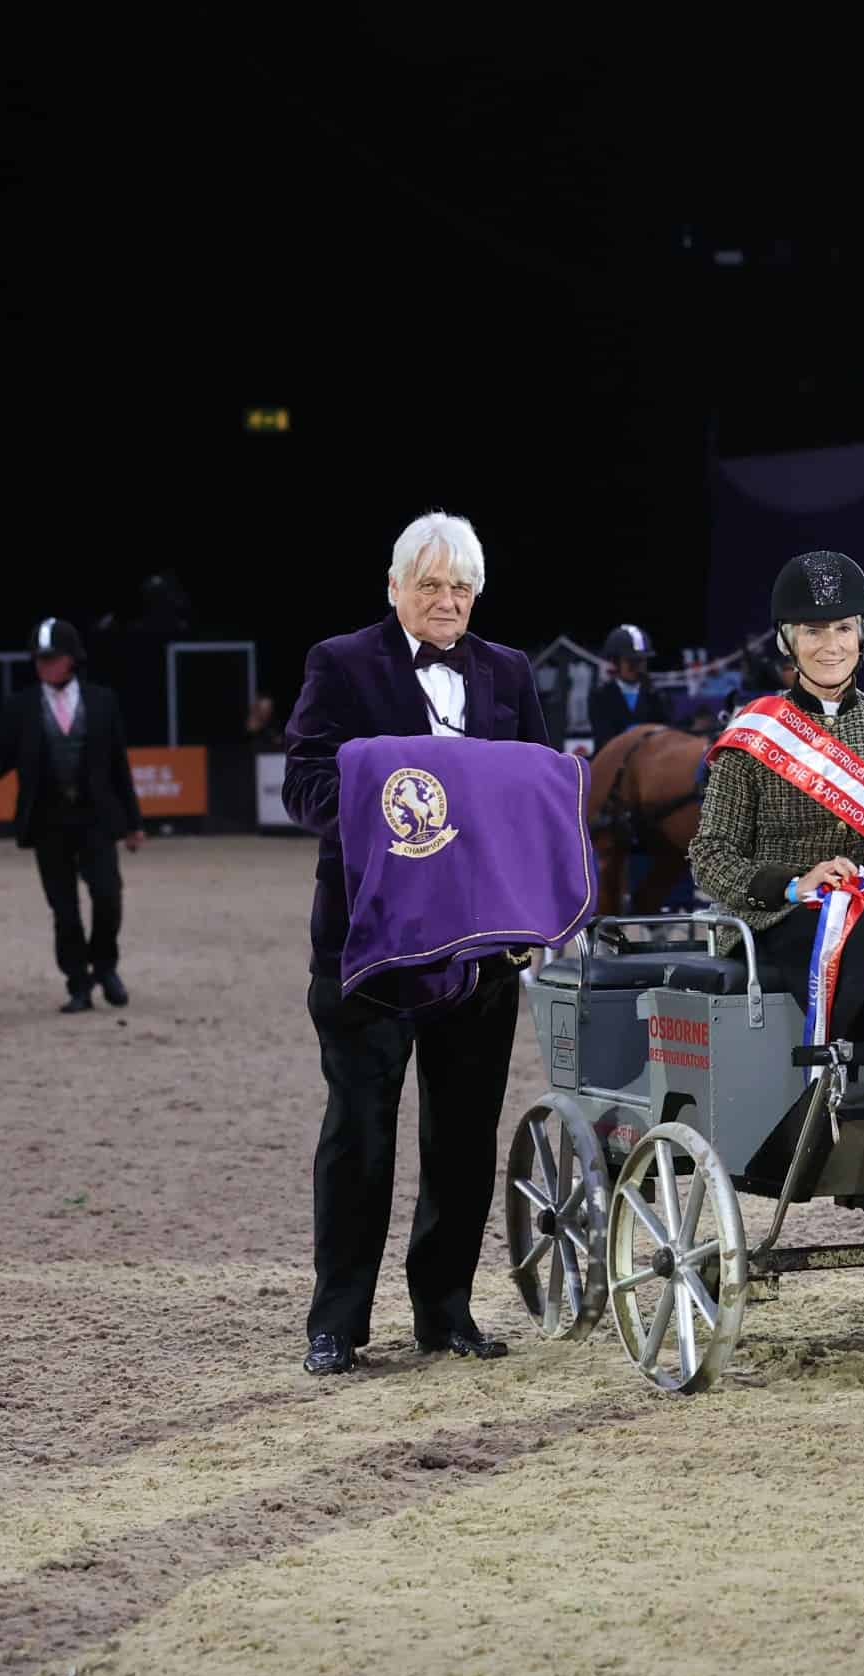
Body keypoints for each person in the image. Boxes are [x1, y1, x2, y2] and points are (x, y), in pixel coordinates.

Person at [280, 511, 552, 1377]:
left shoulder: (510, 672)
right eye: (429, 584)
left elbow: (538, 789)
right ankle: (338, 1323)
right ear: (394, 586)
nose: (446, 600)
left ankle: (446, 1310)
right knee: (358, 1133)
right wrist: (393, 814)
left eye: (460, 587)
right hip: (370, 948)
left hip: (480, 951)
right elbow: (304, 783)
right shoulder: (341, 663)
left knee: (465, 1137)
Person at [688, 552, 864, 1034]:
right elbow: (710, 856)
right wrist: (795, 884)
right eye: (812, 631)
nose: (830, 645)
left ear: (863, 635)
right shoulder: (755, 731)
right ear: (787, 642)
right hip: (780, 918)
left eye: (842, 628)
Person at [0, 619, 145, 1013]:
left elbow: (118, 766)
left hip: (94, 819)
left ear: (71, 659)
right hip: (47, 821)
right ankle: (78, 983)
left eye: (51, 658)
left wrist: (134, 822)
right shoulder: (20, 706)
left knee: (108, 897)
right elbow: (0, 759)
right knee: (65, 908)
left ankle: (105, 966)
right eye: (39, 659)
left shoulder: (103, 701)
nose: (43, 665)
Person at [589, 623, 668, 752]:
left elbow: (665, 732)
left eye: (642, 661)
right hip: (612, 760)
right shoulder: (600, 696)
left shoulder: (656, 695)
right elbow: (604, 736)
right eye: (632, 662)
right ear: (615, 662)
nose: (638, 667)